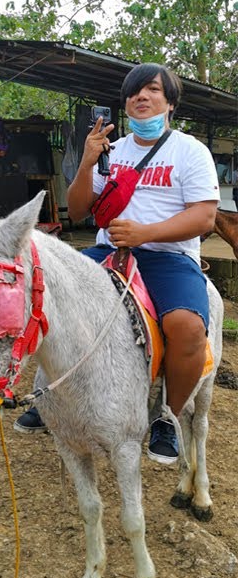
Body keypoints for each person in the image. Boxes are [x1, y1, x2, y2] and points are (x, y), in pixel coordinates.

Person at [15, 63, 220, 465]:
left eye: (152, 90)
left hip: (169, 257)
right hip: (109, 252)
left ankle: (167, 415)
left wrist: (146, 233)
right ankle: (50, 394)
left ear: (170, 103)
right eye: (133, 92)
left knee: (188, 327)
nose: (141, 97)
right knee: (45, 296)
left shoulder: (191, 151)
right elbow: (77, 210)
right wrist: (87, 162)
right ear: (124, 104)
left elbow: (204, 217)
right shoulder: (112, 151)